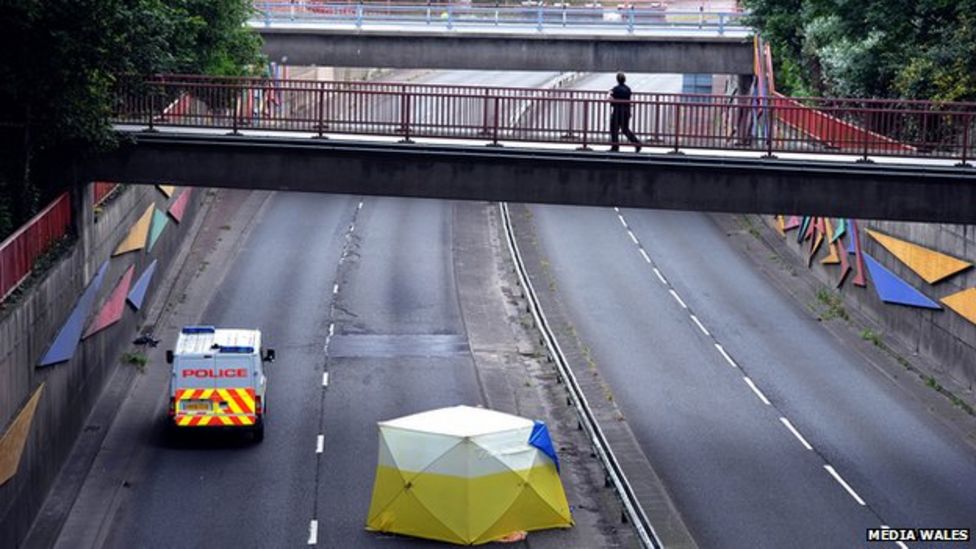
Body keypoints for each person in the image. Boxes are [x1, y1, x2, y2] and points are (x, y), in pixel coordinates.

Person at [609, 72, 641, 152]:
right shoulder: (628, 89)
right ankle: (637, 143)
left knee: (614, 128)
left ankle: (615, 146)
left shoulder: (615, 89)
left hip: (617, 112)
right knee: (625, 129)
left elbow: (611, 100)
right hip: (626, 112)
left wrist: (610, 95)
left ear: (617, 80)